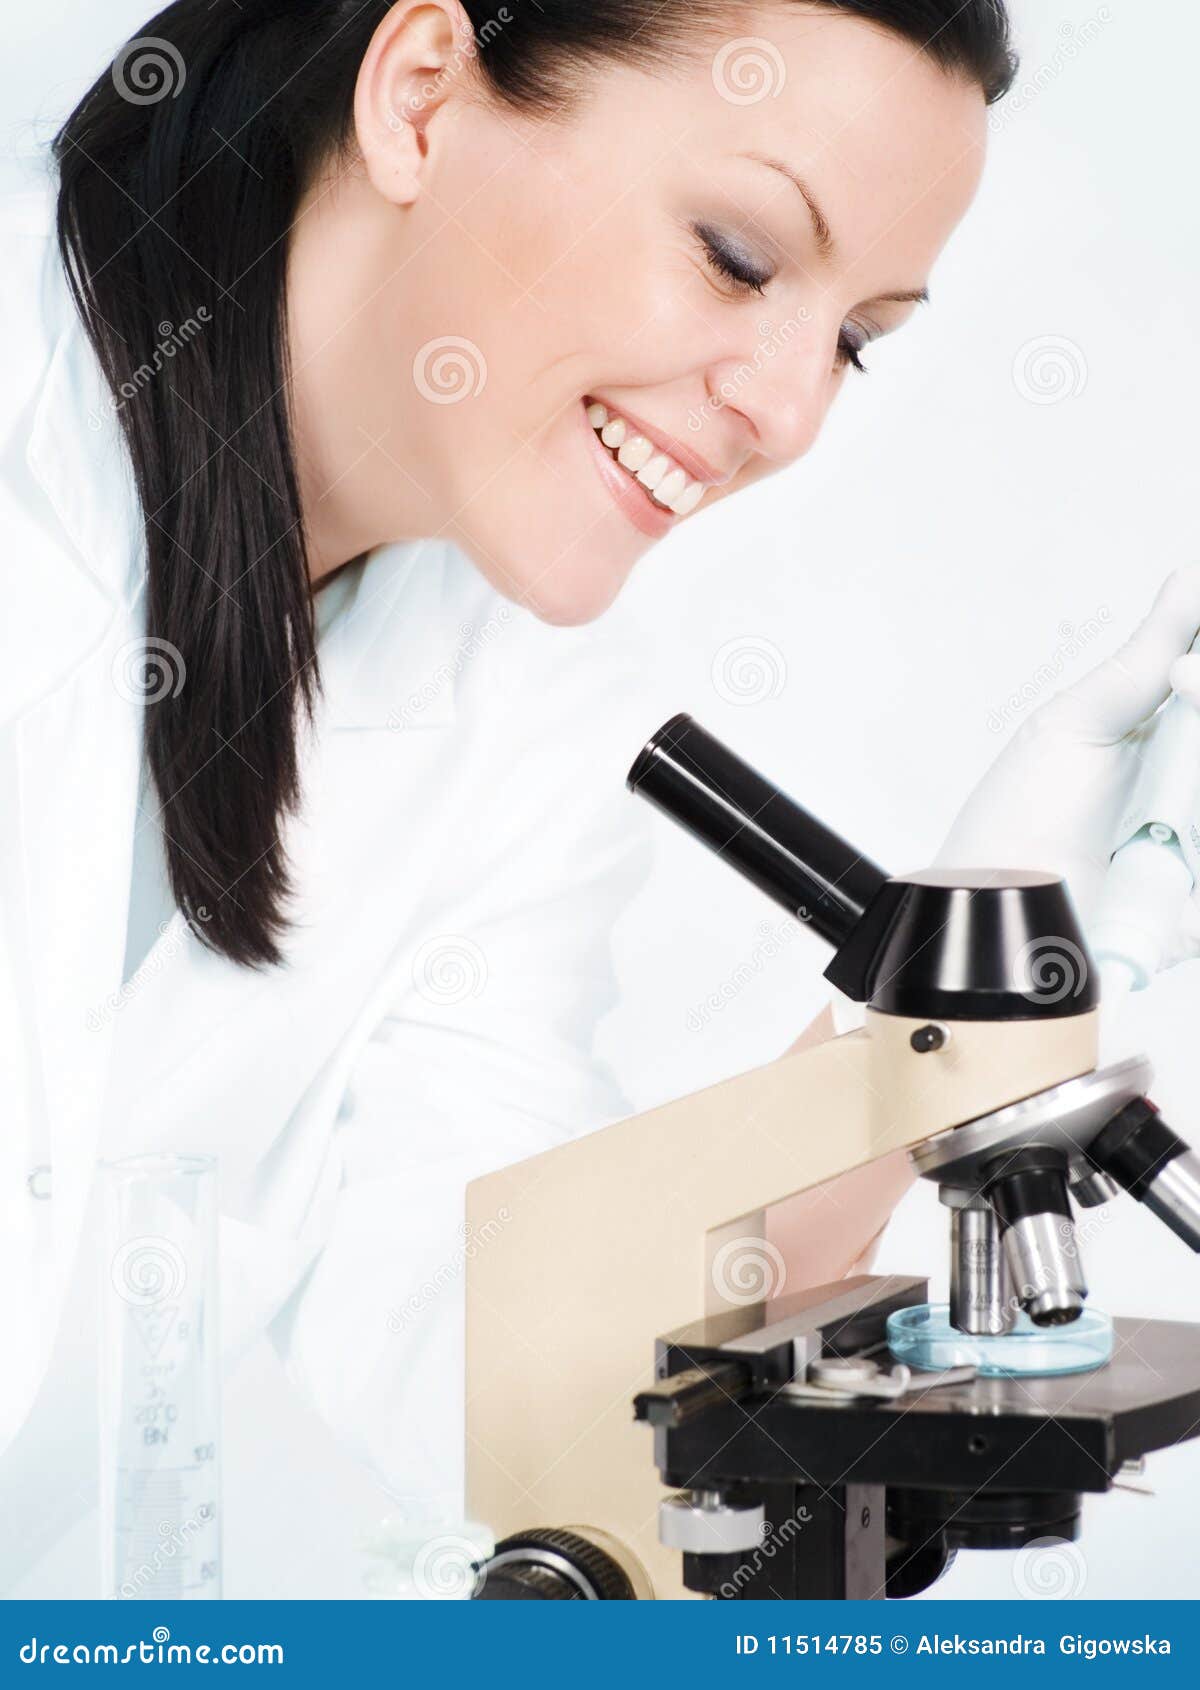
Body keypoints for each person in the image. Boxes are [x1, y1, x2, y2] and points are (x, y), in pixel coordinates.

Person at [3, 0, 1198, 1584]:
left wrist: (929, 1040)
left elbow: (504, 1374)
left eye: (854, 340)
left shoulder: (519, 697)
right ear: (422, 94)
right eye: (740, 251)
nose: (789, 410)